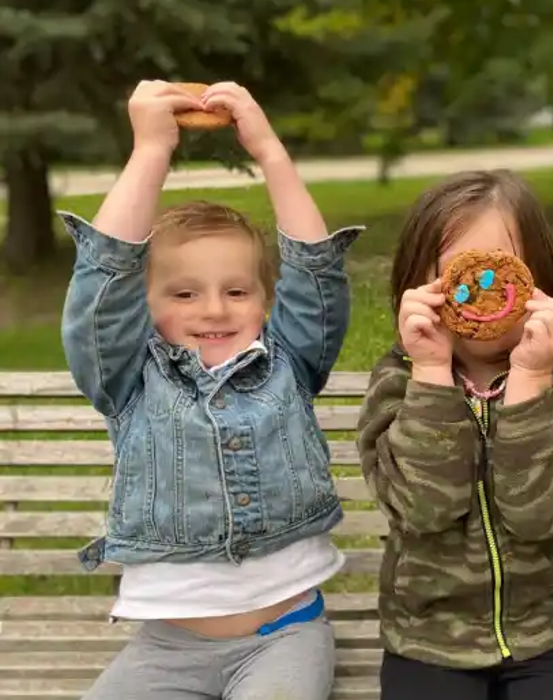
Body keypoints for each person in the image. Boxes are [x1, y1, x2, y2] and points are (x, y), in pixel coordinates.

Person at [60, 79, 362, 700]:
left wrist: (268, 149)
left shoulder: (290, 363)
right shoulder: (128, 380)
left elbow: (315, 273)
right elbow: (101, 288)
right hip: (166, 651)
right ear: (143, 308)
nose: (215, 309)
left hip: (284, 637)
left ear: (263, 301)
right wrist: (150, 151)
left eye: (236, 290)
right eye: (184, 292)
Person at [356, 169, 553, 700]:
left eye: (505, 272)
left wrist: (531, 377)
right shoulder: (398, 382)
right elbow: (423, 508)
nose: (484, 292)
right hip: (427, 638)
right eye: (460, 276)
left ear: (539, 283)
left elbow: (542, 513)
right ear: (420, 285)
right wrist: (429, 371)